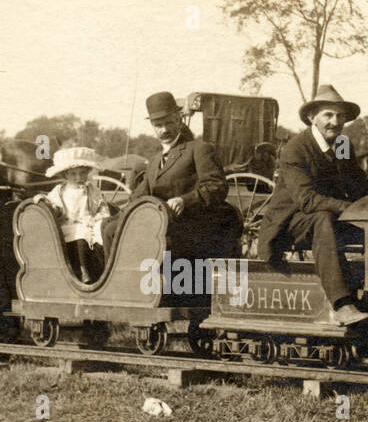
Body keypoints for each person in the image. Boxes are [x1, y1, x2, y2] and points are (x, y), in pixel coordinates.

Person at [255, 84, 368, 326]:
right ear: (312, 117)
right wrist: (348, 208)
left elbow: (358, 185)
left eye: (340, 116)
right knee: (323, 219)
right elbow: (307, 201)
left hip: (330, 216)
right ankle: (341, 304)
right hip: (289, 223)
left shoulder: (341, 145)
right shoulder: (295, 149)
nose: (335, 121)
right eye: (328, 115)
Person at [100, 91, 240, 263]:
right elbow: (139, 195)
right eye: (159, 125)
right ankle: (119, 280)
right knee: (108, 225)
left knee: (114, 230)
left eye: (169, 123)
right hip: (160, 222)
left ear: (179, 120)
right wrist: (117, 213)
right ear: (152, 125)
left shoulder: (198, 149)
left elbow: (217, 187)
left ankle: (124, 281)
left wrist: (184, 200)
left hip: (189, 224)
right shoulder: (155, 160)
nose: (165, 129)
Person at [34, 146, 110, 283]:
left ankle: (97, 269)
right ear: (65, 175)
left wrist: (97, 219)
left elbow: (103, 208)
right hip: (67, 225)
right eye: (73, 174)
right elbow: (53, 205)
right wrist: (43, 200)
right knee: (78, 232)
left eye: (82, 173)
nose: (78, 177)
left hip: (90, 223)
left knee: (95, 232)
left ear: (87, 173)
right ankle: (82, 269)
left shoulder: (92, 191)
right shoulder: (60, 191)